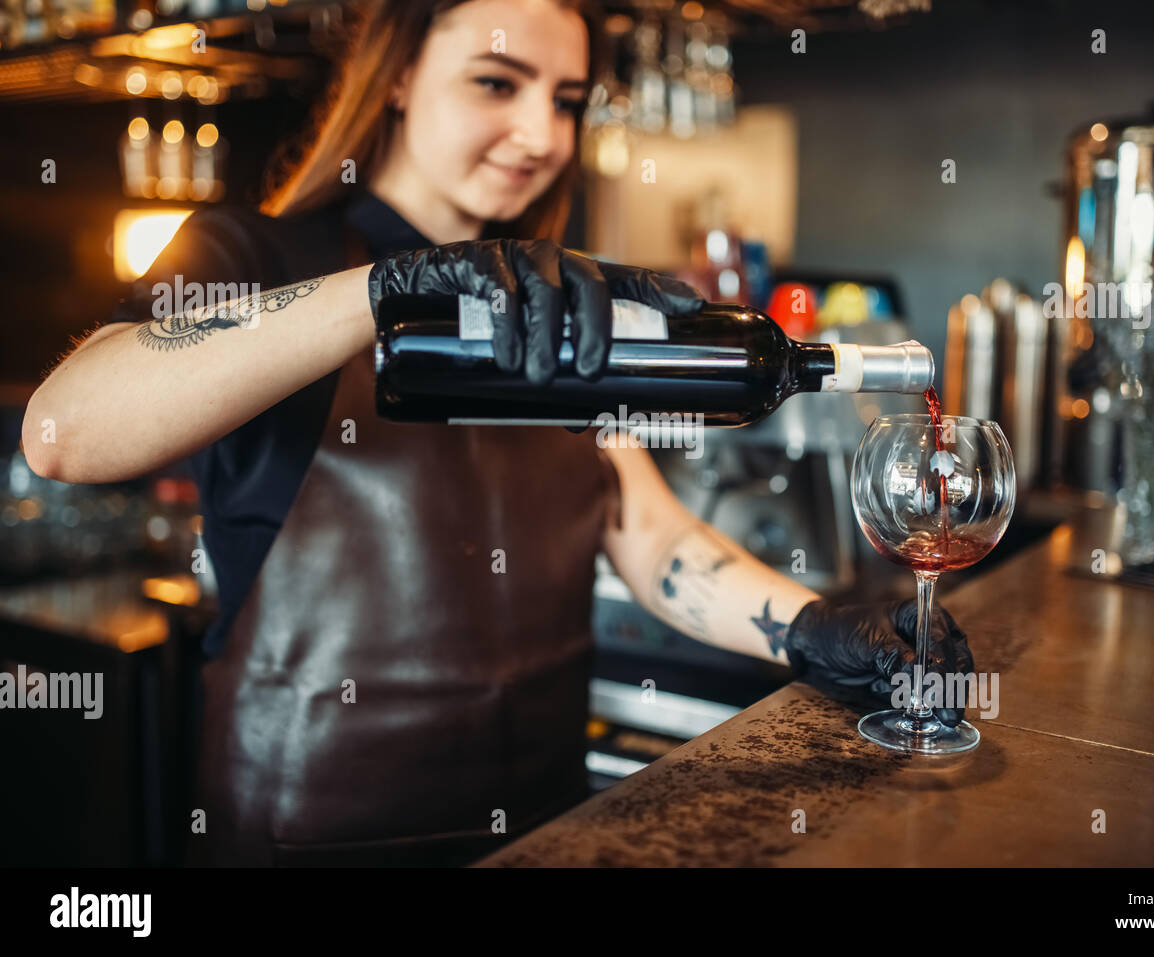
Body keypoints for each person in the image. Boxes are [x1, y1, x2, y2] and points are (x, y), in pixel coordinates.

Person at [21, 0, 974, 867]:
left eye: (566, 99)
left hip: (545, 835)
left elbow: (647, 532)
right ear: (395, 75)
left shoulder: (555, 294)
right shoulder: (258, 256)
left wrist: (809, 630)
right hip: (304, 840)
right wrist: (389, 286)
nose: (542, 135)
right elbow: (64, 432)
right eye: (495, 82)